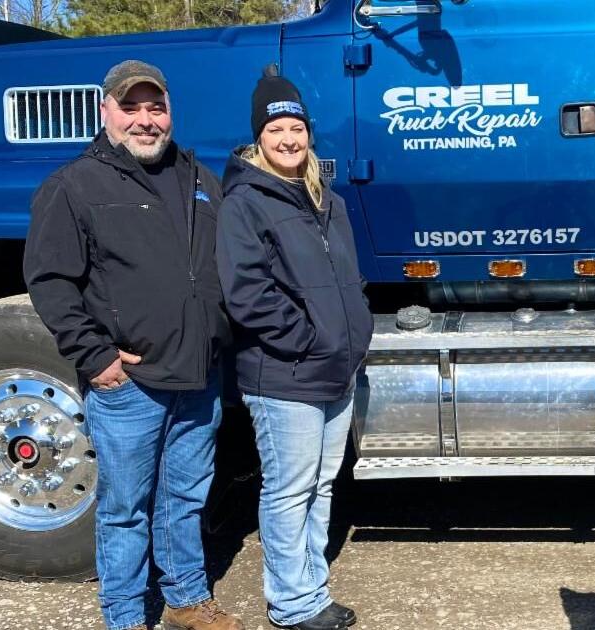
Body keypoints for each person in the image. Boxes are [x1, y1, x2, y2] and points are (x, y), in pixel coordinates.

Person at [24, 60, 243, 630]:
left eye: (156, 107)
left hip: (197, 375)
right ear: (107, 112)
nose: (146, 121)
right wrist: (95, 357)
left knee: (185, 499)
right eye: (132, 107)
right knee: (124, 509)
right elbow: (50, 280)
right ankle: (123, 616)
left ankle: (187, 600)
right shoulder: (74, 185)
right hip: (130, 385)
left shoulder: (198, 177)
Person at [214, 66, 372, 630]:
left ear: (309, 134)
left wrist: (356, 331)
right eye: (276, 128)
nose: (288, 138)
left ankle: (310, 590)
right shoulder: (245, 202)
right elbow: (246, 294)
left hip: (335, 369)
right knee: (288, 490)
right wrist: (308, 340)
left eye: (296, 127)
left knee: (321, 485)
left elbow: (344, 278)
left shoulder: (323, 199)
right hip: (287, 374)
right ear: (260, 137)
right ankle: (291, 604)